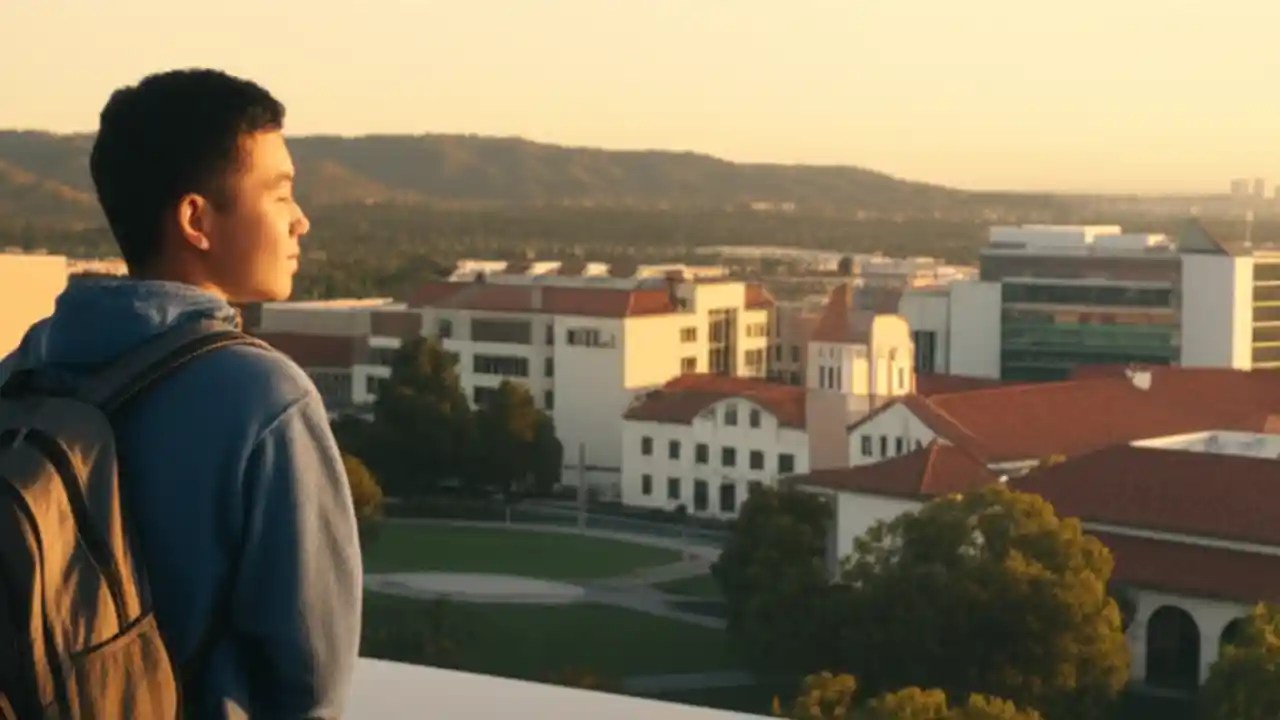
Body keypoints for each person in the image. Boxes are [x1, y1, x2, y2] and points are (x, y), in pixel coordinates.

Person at [0, 69, 362, 718]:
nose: (301, 220)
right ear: (196, 218)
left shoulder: (26, 363)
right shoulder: (266, 400)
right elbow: (310, 679)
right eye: (279, 196)